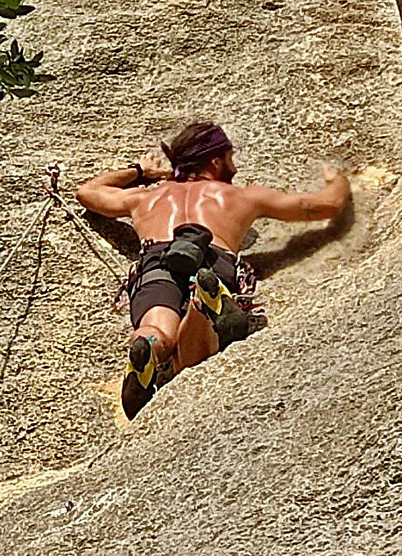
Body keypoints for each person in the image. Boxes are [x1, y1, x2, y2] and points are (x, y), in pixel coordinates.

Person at [75, 121, 351, 419]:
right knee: (199, 336)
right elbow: (325, 205)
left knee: (155, 327)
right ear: (216, 160)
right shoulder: (243, 197)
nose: (234, 165)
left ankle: (148, 347)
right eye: (230, 156)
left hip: (156, 259)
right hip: (212, 256)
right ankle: (205, 305)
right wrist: (339, 179)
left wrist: (140, 171)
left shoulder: (147, 197)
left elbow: (87, 193)